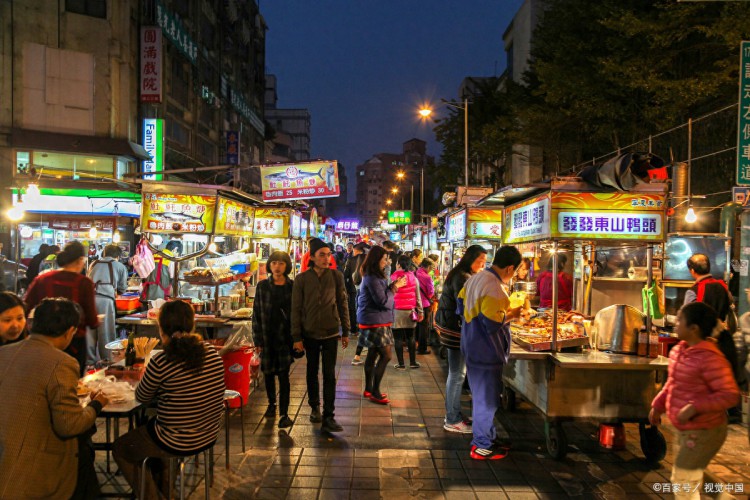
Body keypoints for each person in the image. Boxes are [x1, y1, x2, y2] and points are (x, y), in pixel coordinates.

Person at [113, 300, 225, 499]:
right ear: (192, 325)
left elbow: (141, 396)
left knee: (122, 448)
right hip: (207, 434)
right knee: (151, 428)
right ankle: (166, 491)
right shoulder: (213, 356)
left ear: (161, 327)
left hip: (174, 440)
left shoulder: (161, 361)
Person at [0, 297, 109, 499]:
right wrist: (97, 404)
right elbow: (68, 424)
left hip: (7, 455)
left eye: (19, 318)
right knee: (83, 450)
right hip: (37, 469)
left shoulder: (4, 353)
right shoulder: (62, 362)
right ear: (70, 331)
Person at [650, 302, 740, 499]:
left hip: (705, 430)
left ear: (693, 328)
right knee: (694, 472)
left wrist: (694, 408)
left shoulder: (710, 357)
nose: (675, 323)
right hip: (686, 429)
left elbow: (730, 394)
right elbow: (672, 384)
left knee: (682, 480)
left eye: (680, 319)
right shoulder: (679, 351)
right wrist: (657, 406)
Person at [459, 245, 523, 459]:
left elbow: (460, 305)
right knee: (487, 401)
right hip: (486, 350)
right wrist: (514, 314)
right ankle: (482, 446)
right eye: (515, 271)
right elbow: (492, 324)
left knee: (481, 398)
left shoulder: (475, 279)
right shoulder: (494, 287)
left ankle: (486, 437)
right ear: (510, 268)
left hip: (471, 345)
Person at [291, 237, 350, 433]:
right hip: (309, 334)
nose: (326, 258)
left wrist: (346, 331)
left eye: (328, 254)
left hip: (331, 332)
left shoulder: (336, 277)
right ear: (313, 257)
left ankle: (329, 415)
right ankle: (314, 407)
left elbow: (343, 303)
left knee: (329, 375)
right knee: (312, 371)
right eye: (322, 255)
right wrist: (297, 337)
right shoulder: (301, 279)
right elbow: (296, 309)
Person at [683, 253, 745, 419]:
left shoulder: (693, 291)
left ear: (692, 271)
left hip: (704, 341)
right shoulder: (723, 286)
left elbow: (686, 316)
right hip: (723, 337)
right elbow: (730, 303)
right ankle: (732, 411)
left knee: (704, 379)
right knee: (725, 375)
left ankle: (705, 411)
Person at [25, 241, 99, 374]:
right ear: (80, 260)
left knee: (43, 378)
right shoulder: (84, 283)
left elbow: (25, 307)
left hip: (43, 342)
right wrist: (96, 320)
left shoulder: (42, 279)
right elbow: (91, 320)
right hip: (74, 343)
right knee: (71, 381)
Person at [436, 245, 488, 434]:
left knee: (457, 374)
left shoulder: (461, 274)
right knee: (457, 374)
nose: (482, 265)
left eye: (484, 262)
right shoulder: (462, 278)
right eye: (480, 261)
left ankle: (454, 414)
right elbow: (469, 305)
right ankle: (452, 419)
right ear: (470, 259)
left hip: (453, 329)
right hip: (455, 330)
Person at [357, 246, 407, 404]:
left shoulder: (374, 275)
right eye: (384, 259)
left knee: (372, 354)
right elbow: (383, 301)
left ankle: (369, 389)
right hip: (375, 321)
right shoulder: (372, 277)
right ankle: (375, 392)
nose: (386, 262)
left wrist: (392, 285)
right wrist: (395, 287)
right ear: (376, 259)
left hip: (375, 319)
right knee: (386, 355)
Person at [252, 251, 295, 429]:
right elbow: (256, 314)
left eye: (282, 263)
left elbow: (297, 312)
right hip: (267, 335)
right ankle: (271, 404)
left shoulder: (293, 286)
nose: (277, 267)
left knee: (284, 375)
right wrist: (257, 339)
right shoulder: (262, 286)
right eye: (275, 263)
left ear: (287, 266)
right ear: (270, 265)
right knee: (268, 373)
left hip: (285, 337)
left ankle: (284, 412)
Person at [87, 244, 128, 364]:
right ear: (118, 256)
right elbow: (122, 288)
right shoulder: (119, 266)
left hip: (90, 298)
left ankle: (89, 362)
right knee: (106, 331)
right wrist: (118, 291)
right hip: (106, 300)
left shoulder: (93, 264)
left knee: (90, 331)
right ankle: (107, 360)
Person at [391, 255, 424, 370]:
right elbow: (418, 297)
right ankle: (413, 362)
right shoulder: (414, 278)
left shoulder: (393, 278)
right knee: (411, 337)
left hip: (396, 312)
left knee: (398, 339)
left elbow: (389, 295)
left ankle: (401, 364)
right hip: (410, 312)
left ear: (399, 264)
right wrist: (420, 311)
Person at [344, 242, 367, 350]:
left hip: (353, 288)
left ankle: (354, 329)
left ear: (358, 251)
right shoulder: (369, 260)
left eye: (354, 250)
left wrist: (345, 288)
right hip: (367, 288)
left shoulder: (351, 260)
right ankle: (363, 328)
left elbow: (345, 275)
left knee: (352, 308)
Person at [415, 258, 436, 355]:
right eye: (431, 268)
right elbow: (431, 292)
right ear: (428, 267)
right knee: (423, 327)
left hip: (414, 303)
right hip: (424, 304)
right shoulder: (427, 277)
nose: (431, 270)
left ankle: (414, 345)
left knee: (416, 326)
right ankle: (422, 348)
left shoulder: (414, 273)